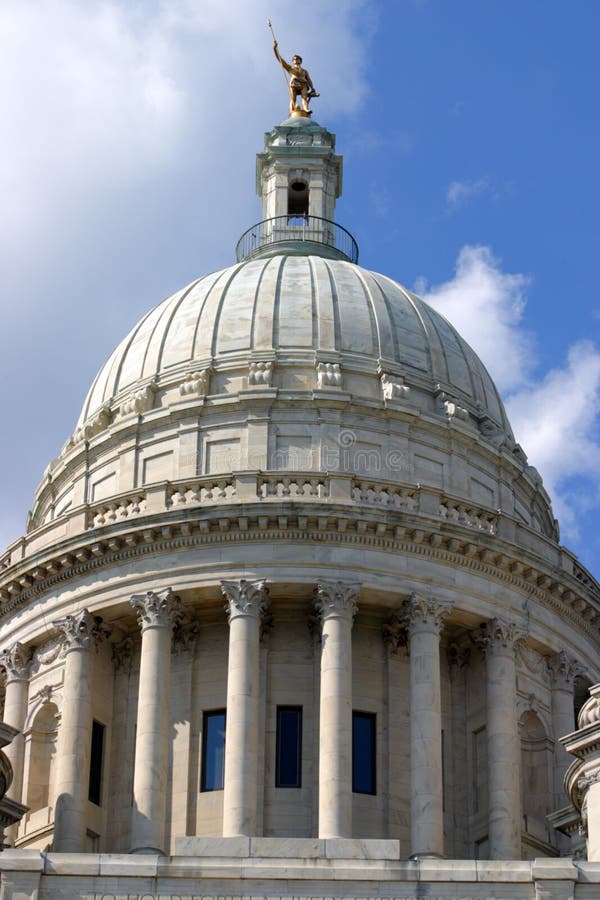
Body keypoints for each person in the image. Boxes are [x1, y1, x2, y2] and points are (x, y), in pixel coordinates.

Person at [273, 42, 319, 115]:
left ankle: (306, 109)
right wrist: (275, 49)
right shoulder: (290, 68)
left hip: (303, 84)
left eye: (297, 59)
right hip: (294, 83)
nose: (296, 60)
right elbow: (280, 59)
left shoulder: (304, 71)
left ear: (300, 61)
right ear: (293, 61)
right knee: (293, 98)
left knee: (304, 98)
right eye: (294, 59)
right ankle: (292, 111)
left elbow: (309, 80)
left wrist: (312, 88)